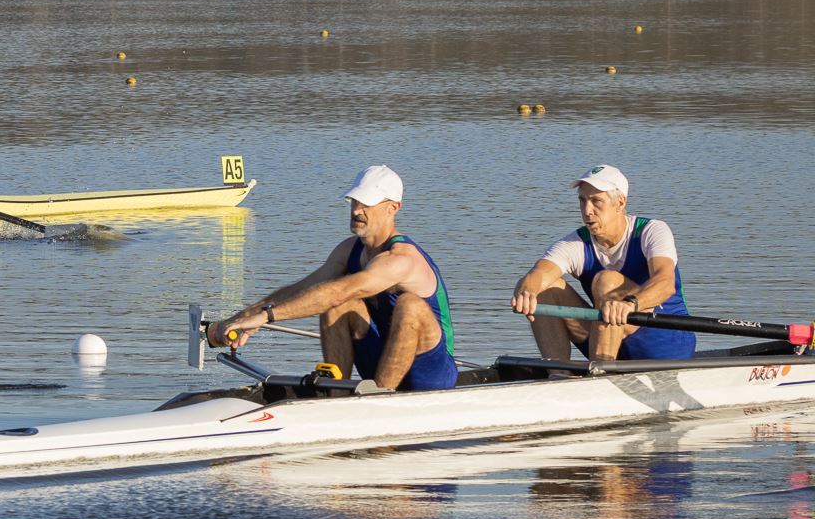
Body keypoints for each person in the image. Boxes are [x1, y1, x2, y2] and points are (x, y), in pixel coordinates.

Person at [207, 165, 458, 391]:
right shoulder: (349, 250)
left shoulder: (401, 259)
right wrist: (240, 319)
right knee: (333, 300)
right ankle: (337, 393)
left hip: (432, 374)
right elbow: (304, 288)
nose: (357, 210)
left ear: (393, 208)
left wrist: (267, 316)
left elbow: (339, 291)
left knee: (407, 305)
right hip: (382, 361)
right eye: (354, 201)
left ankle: (379, 400)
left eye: (366, 203)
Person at [510, 164, 694, 362]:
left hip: (666, 343)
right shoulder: (575, 244)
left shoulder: (651, 231)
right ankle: (558, 375)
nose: (587, 210)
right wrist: (526, 291)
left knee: (607, 280)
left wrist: (630, 304)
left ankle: (600, 373)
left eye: (596, 201)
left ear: (620, 203)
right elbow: (539, 273)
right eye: (582, 201)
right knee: (545, 288)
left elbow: (665, 283)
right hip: (606, 338)